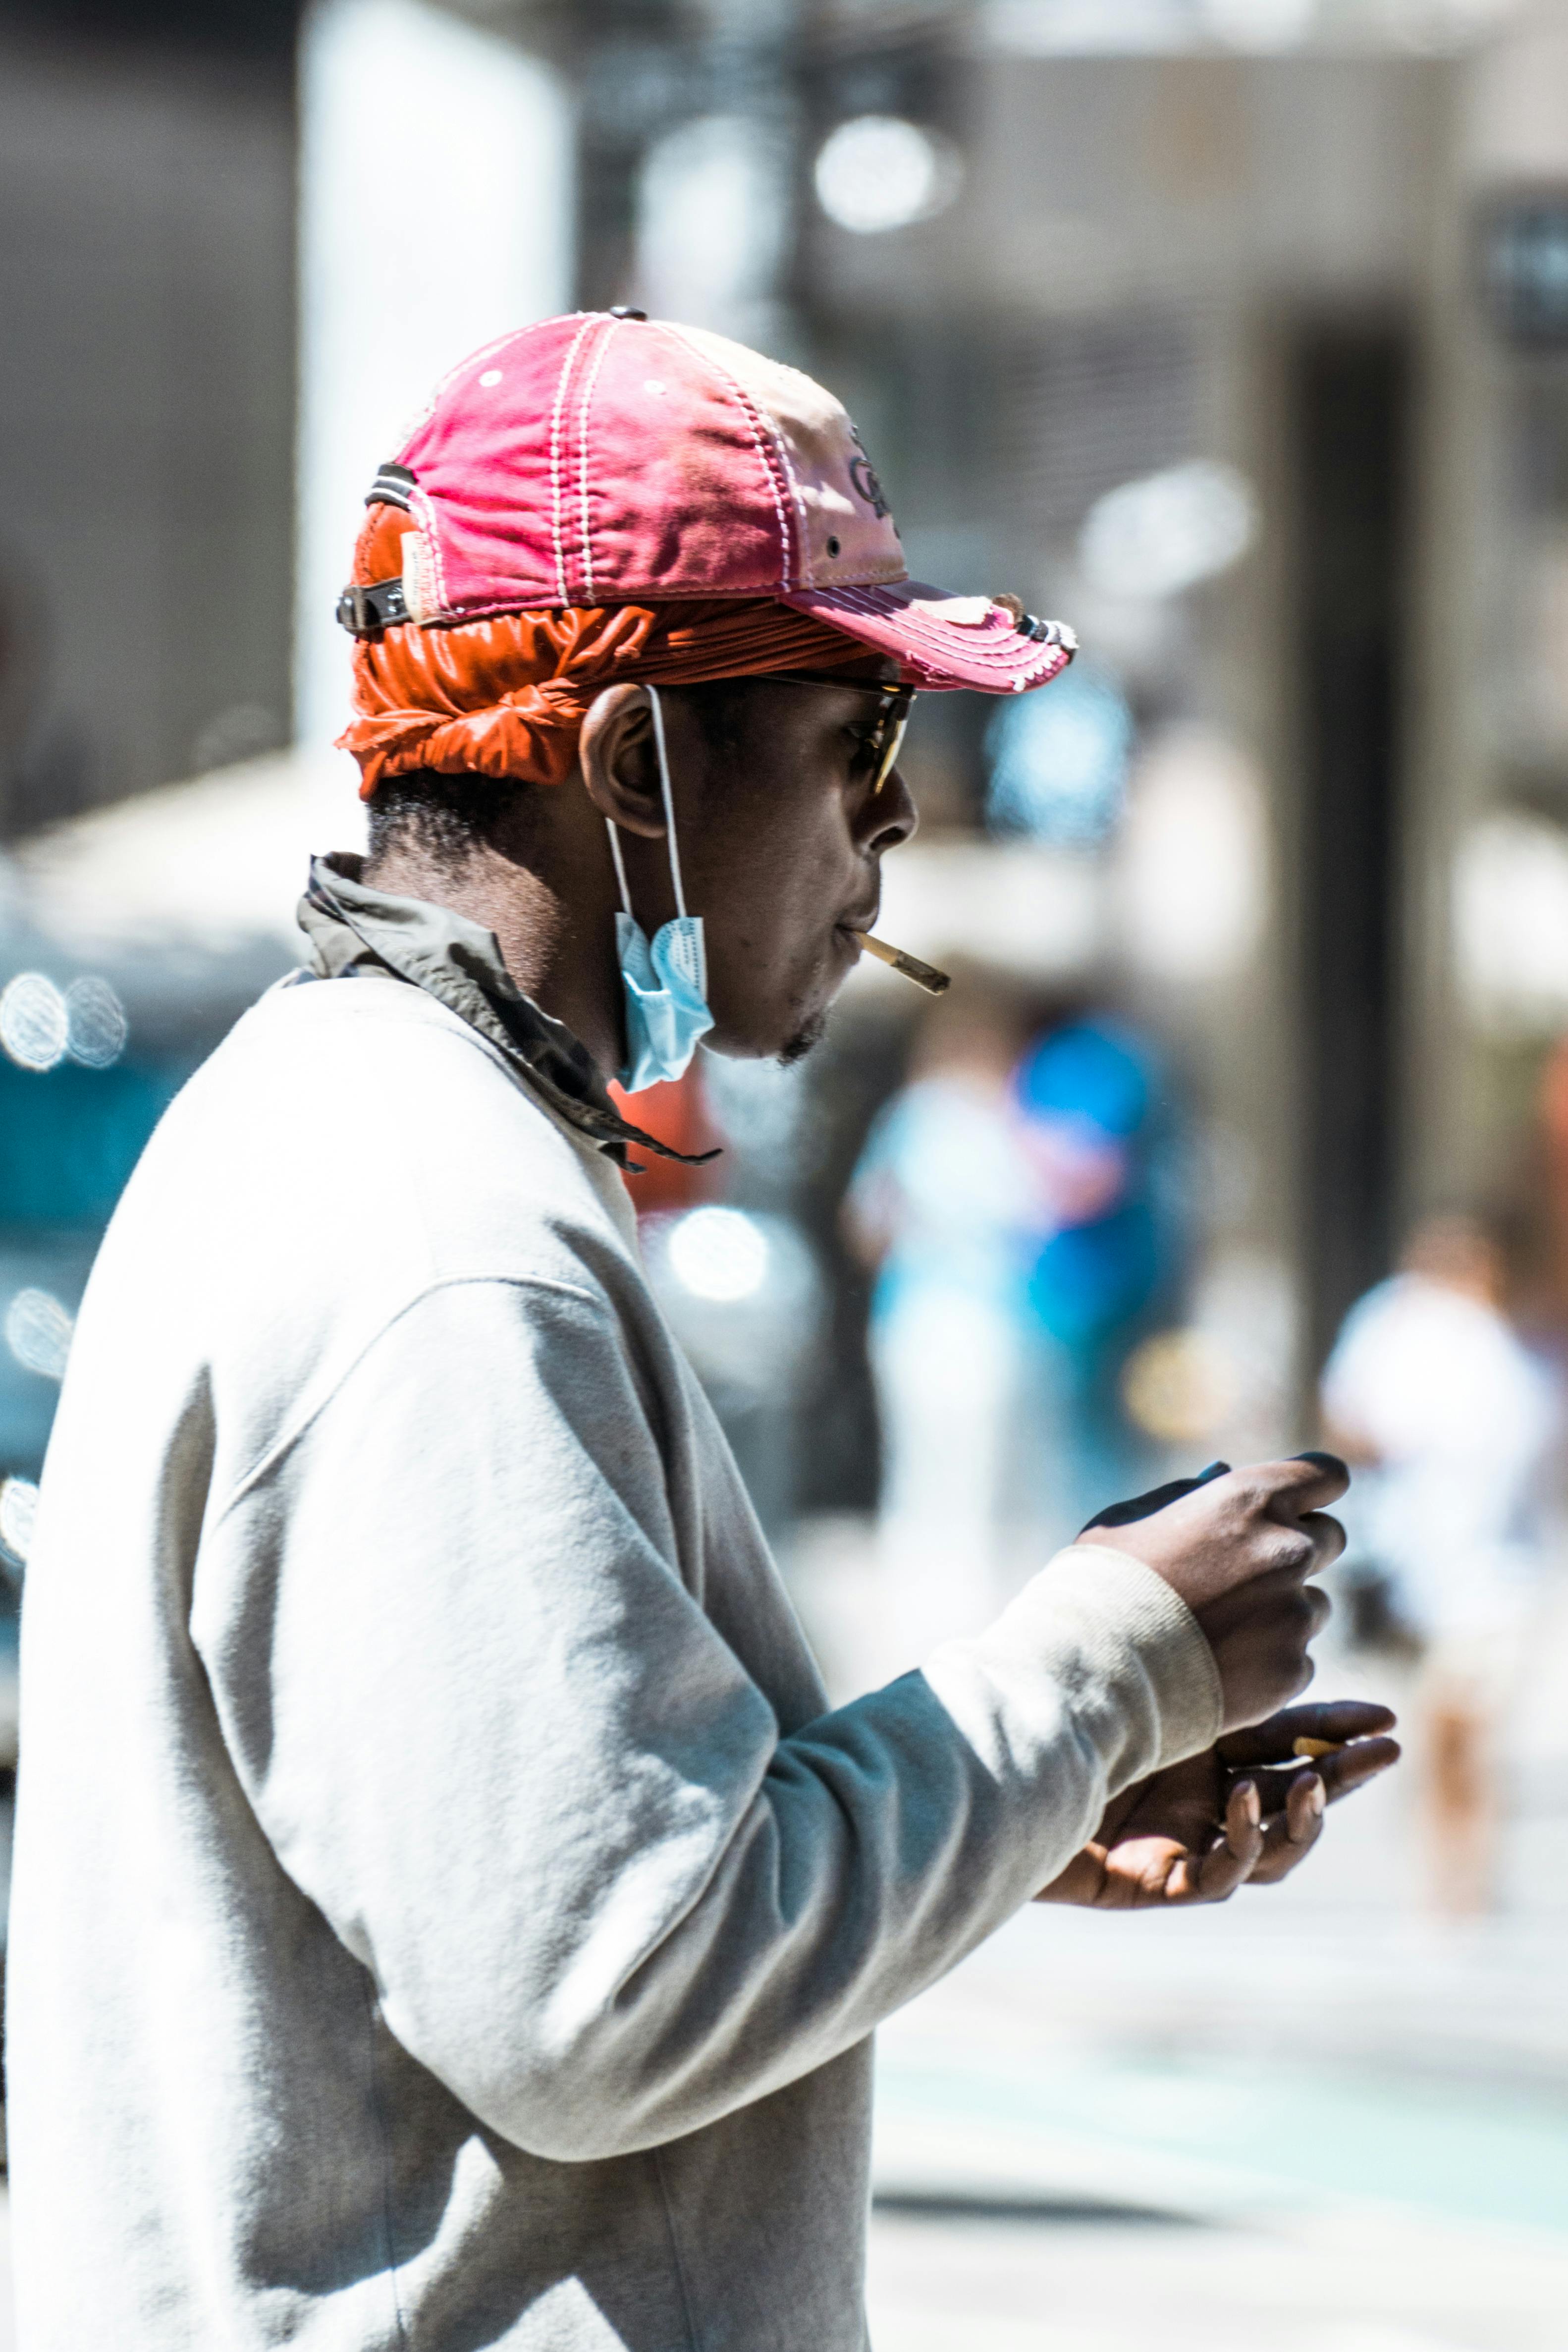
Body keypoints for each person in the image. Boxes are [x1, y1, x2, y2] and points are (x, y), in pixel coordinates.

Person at [8, 312, 1396, 2352]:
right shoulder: (441, 1237)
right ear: (627, 762)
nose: (890, 828)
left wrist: (1001, 1803)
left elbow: (518, 1888)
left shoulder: (364, 1124)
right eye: (858, 742)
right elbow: (606, 1987)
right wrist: (1108, 1662)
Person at [1321, 1208, 1557, 1914]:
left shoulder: (1524, 1339)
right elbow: (1349, 1419)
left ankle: (1465, 1866)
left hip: (1505, 1568)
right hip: (1418, 1564)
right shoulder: (1395, 1327)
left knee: (1472, 1722)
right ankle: (1449, 1865)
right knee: (1440, 1724)